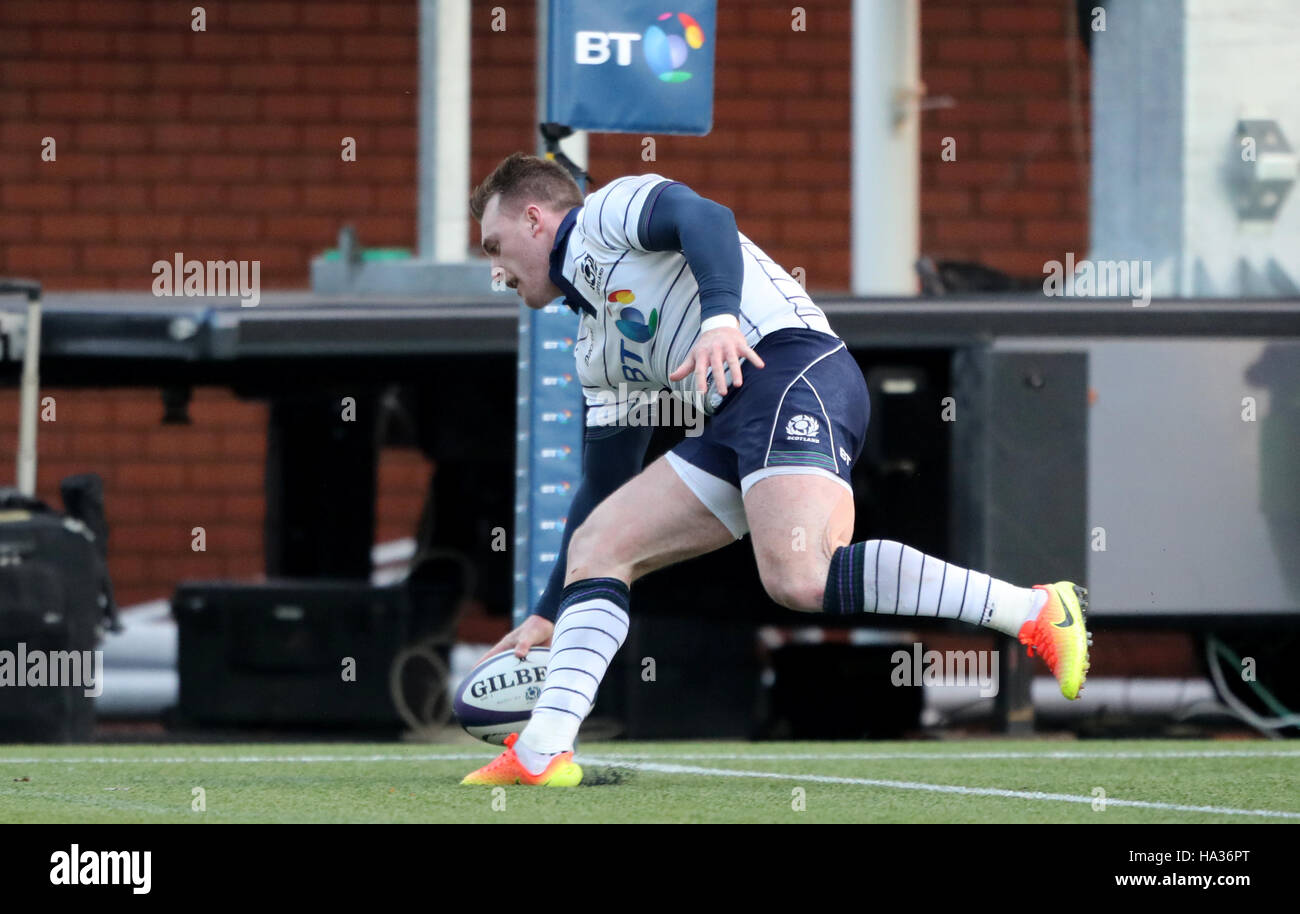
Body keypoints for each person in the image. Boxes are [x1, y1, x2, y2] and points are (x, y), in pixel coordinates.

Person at [461, 153, 1090, 787]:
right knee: (600, 545)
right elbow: (604, 484)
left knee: (800, 576)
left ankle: (1034, 610)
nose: (495, 270)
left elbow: (707, 218)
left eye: (494, 245)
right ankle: (542, 753)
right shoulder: (595, 347)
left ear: (536, 219)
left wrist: (719, 318)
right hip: (733, 416)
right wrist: (549, 610)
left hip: (793, 367)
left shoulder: (606, 210)